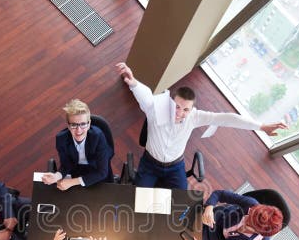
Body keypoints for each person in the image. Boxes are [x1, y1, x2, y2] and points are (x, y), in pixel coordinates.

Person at [116, 62, 288, 189]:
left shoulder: (194, 117)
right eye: (177, 107)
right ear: (170, 102)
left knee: (179, 205)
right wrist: (133, 83)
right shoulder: (155, 108)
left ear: (191, 109)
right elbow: (144, 94)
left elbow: (228, 118)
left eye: (185, 109)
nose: (180, 113)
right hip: (150, 164)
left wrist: (262, 126)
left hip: (175, 167)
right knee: (140, 202)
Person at [183, 189, 283, 240]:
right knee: (182, 216)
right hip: (217, 217)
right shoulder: (251, 205)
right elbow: (219, 194)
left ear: (259, 233)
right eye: (249, 215)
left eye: (249, 224)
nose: (246, 219)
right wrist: (209, 207)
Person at [41, 99, 113, 190]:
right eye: (74, 125)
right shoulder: (61, 139)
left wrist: (72, 182)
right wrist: (57, 176)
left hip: (98, 173)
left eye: (83, 124)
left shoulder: (98, 136)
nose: (79, 130)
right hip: (76, 171)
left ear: (89, 123)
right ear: (68, 125)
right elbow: (66, 164)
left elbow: (102, 172)